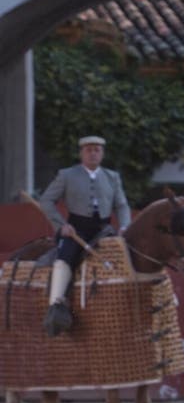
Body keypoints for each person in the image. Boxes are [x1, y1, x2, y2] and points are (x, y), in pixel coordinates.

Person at [40, 135, 131, 337]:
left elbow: (122, 205)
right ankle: (55, 306)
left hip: (104, 230)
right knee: (64, 258)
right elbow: (46, 201)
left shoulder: (112, 177)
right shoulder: (66, 175)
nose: (93, 153)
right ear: (81, 153)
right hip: (76, 229)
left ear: (102, 153)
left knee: (123, 257)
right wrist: (61, 225)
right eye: (89, 149)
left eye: (97, 150)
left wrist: (124, 225)